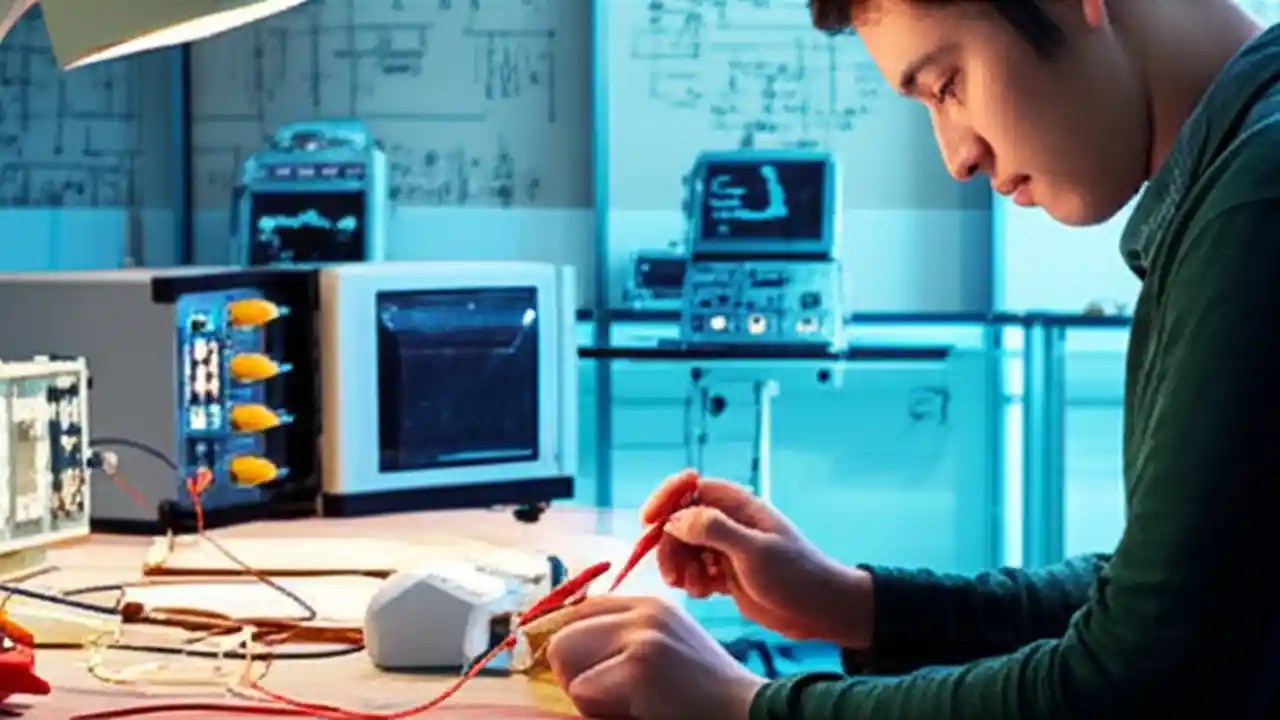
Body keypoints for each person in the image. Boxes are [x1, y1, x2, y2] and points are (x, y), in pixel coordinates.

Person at [545, 0, 1280, 717]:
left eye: (948, 84)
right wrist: (852, 602)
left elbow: (1144, 682)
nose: (958, 156)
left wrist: (745, 704)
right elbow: (1168, 607)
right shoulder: (1237, 174)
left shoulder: (1257, 199)